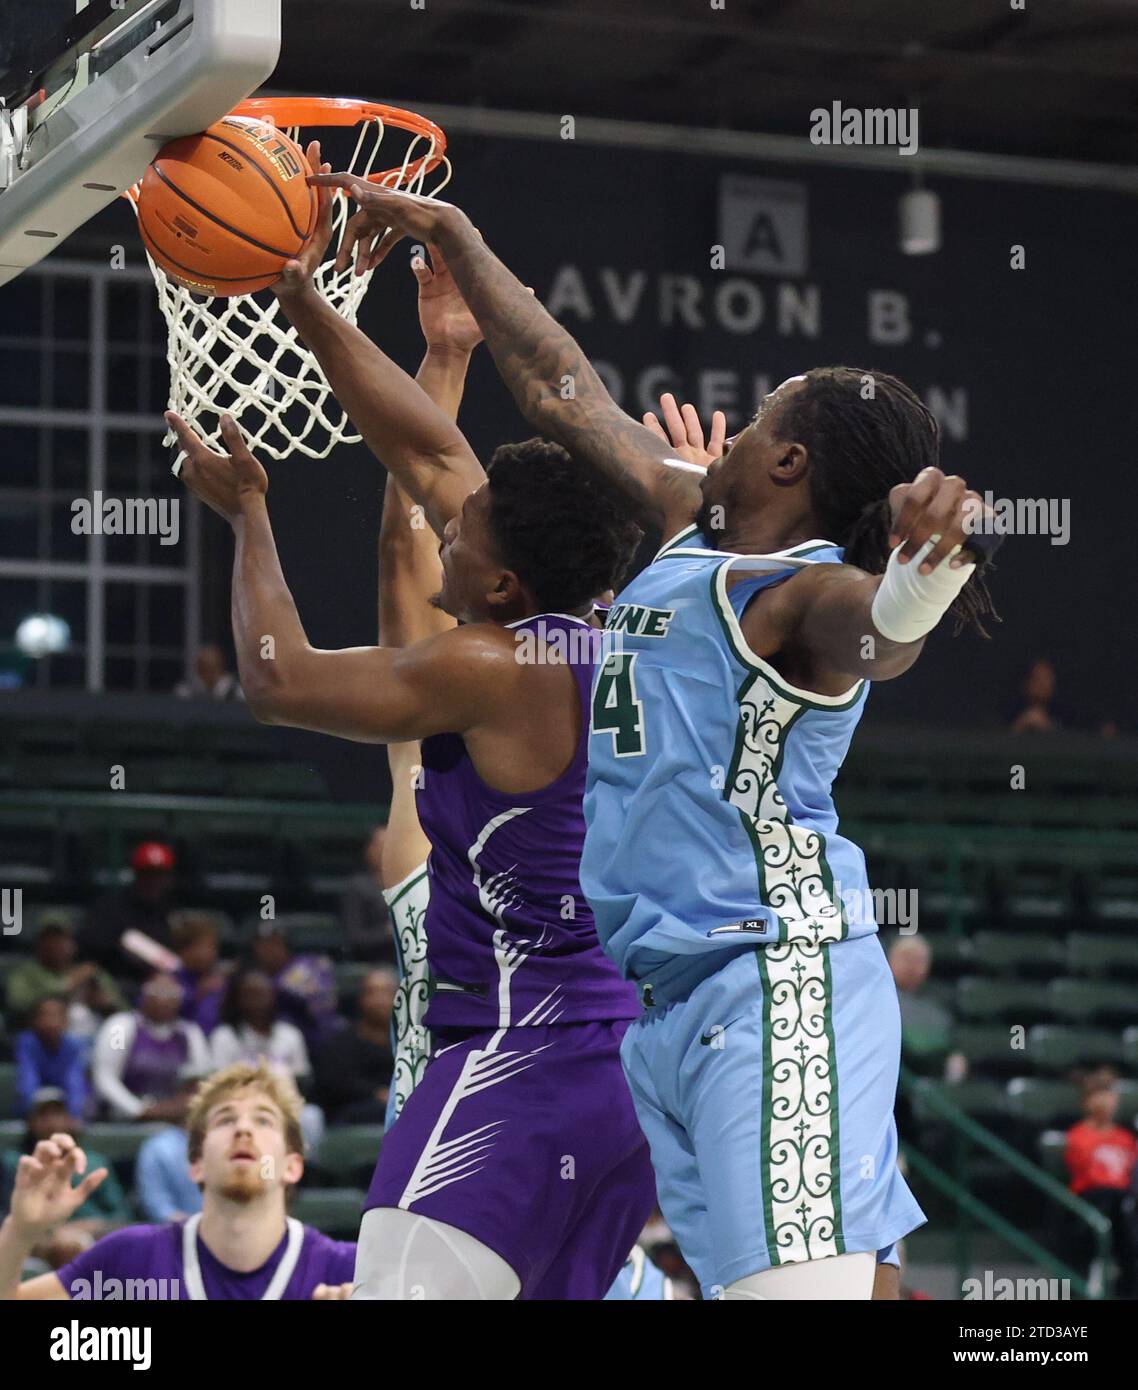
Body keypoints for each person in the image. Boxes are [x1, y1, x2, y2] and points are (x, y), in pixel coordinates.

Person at [318, 178, 1006, 1299]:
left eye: (770, 410)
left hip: (769, 974)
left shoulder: (800, 595)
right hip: (666, 1008)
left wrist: (918, 586)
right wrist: (455, 232)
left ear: (787, 464)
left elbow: (878, 640)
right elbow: (556, 386)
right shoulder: (690, 518)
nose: (742, 421)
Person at [166, 157, 655, 1300]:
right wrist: (304, 302)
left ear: (502, 583)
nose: (451, 522)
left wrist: (248, 517)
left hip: (515, 1061)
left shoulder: (494, 667)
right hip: (618, 1070)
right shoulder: (597, 638)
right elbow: (431, 453)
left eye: (467, 532)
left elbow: (278, 678)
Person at [0, 1062, 355, 1300]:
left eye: (263, 1121)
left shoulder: (349, 1270)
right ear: (196, 1164)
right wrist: (20, 1230)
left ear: (292, 1166)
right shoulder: (130, 1260)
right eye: (224, 1120)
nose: (243, 1129)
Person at [0, 1089, 129, 1265]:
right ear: (31, 1123)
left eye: (58, 1114)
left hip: (95, 1235)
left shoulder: (96, 1162)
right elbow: (10, 1218)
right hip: (40, 1239)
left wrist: (86, 1227)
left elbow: (121, 1215)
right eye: (44, 1116)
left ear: (71, 1120)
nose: (52, 1123)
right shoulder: (18, 1163)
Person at [92, 974, 210, 1121]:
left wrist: (181, 1106)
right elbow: (106, 1078)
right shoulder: (120, 1028)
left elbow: (199, 1078)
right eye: (158, 992)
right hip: (124, 1117)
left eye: (172, 994)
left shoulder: (190, 1034)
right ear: (145, 994)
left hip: (172, 1116)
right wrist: (139, 1110)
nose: (165, 1000)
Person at [1065, 1078, 1137, 1293]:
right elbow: (1085, 1173)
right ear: (1087, 1102)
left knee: (1127, 1215)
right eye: (1100, 1096)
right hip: (1091, 1200)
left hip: (1123, 1202)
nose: (1106, 1102)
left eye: (1110, 1096)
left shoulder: (1125, 1138)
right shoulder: (1078, 1135)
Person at [4, 918, 124, 1041]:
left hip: (96, 1039)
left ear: (73, 945)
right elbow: (17, 1004)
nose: (55, 945)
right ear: (39, 944)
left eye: (61, 939)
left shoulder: (89, 973)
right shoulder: (25, 974)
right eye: (49, 940)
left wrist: (105, 1005)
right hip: (44, 1041)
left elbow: (124, 1012)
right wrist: (66, 984)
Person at [81, 842, 179, 980]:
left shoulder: (171, 911)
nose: (153, 881)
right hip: (119, 981)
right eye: (147, 874)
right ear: (136, 874)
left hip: (163, 985)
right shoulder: (111, 908)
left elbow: (176, 963)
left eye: (159, 874)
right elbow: (92, 945)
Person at [314, 969, 396, 1126]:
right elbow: (334, 1084)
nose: (380, 1000)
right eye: (372, 993)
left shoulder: (412, 1042)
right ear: (361, 999)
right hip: (356, 1113)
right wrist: (376, 1093)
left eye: (387, 993)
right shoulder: (342, 1041)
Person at [133, 1065, 210, 1225]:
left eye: (207, 1091)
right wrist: (199, 1229)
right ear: (177, 1097)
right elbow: (158, 1207)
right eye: (192, 1091)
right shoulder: (158, 1148)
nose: (199, 1099)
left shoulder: (230, 1142)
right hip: (176, 1236)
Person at [249, 923, 338, 1048]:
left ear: (286, 945)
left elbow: (318, 1004)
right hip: (272, 1044)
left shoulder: (310, 964)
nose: (269, 949)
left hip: (314, 1038)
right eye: (263, 944)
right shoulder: (251, 974)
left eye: (275, 943)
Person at [14, 997, 88, 1119]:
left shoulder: (73, 1045)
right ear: (34, 1020)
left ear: (66, 1021)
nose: (51, 1021)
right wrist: (34, 1112)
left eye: (57, 1016)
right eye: (45, 1015)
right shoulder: (27, 1042)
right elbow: (27, 1081)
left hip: (65, 1111)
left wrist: (73, 1114)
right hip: (33, 1112)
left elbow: (75, 1084)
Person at [338, 826, 395, 962]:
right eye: (381, 845)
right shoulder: (357, 887)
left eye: (391, 844)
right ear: (369, 850)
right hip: (371, 963)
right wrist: (387, 933)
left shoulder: (407, 885)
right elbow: (354, 937)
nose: (386, 850)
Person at [171, 913, 228, 1037]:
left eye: (214, 947)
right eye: (205, 946)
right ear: (184, 950)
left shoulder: (222, 980)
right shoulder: (170, 980)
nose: (212, 953)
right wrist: (198, 993)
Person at [174, 642, 243, 701]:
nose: (208, 674)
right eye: (203, 670)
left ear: (221, 667)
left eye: (212, 669)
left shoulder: (237, 693)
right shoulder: (191, 690)